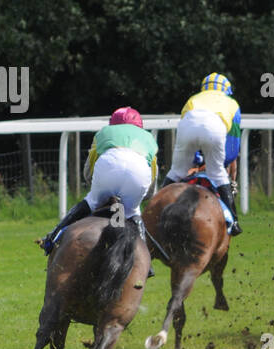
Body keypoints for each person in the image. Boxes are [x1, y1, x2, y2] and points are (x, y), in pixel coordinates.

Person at [39, 108, 158, 267]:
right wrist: (138, 198)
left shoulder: (103, 133)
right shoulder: (149, 138)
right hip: (138, 175)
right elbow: (152, 181)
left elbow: (88, 171)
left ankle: (51, 239)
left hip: (108, 170)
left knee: (90, 202)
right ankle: (146, 265)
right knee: (134, 213)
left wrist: (96, 191)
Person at [164, 73, 242, 234]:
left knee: (177, 171)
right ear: (226, 90)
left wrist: (195, 160)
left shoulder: (193, 99)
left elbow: (190, 127)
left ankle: (153, 209)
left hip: (189, 124)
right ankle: (233, 221)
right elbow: (232, 145)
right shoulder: (232, 103)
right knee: (218, 173)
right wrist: (223, 162)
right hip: (215, 127)